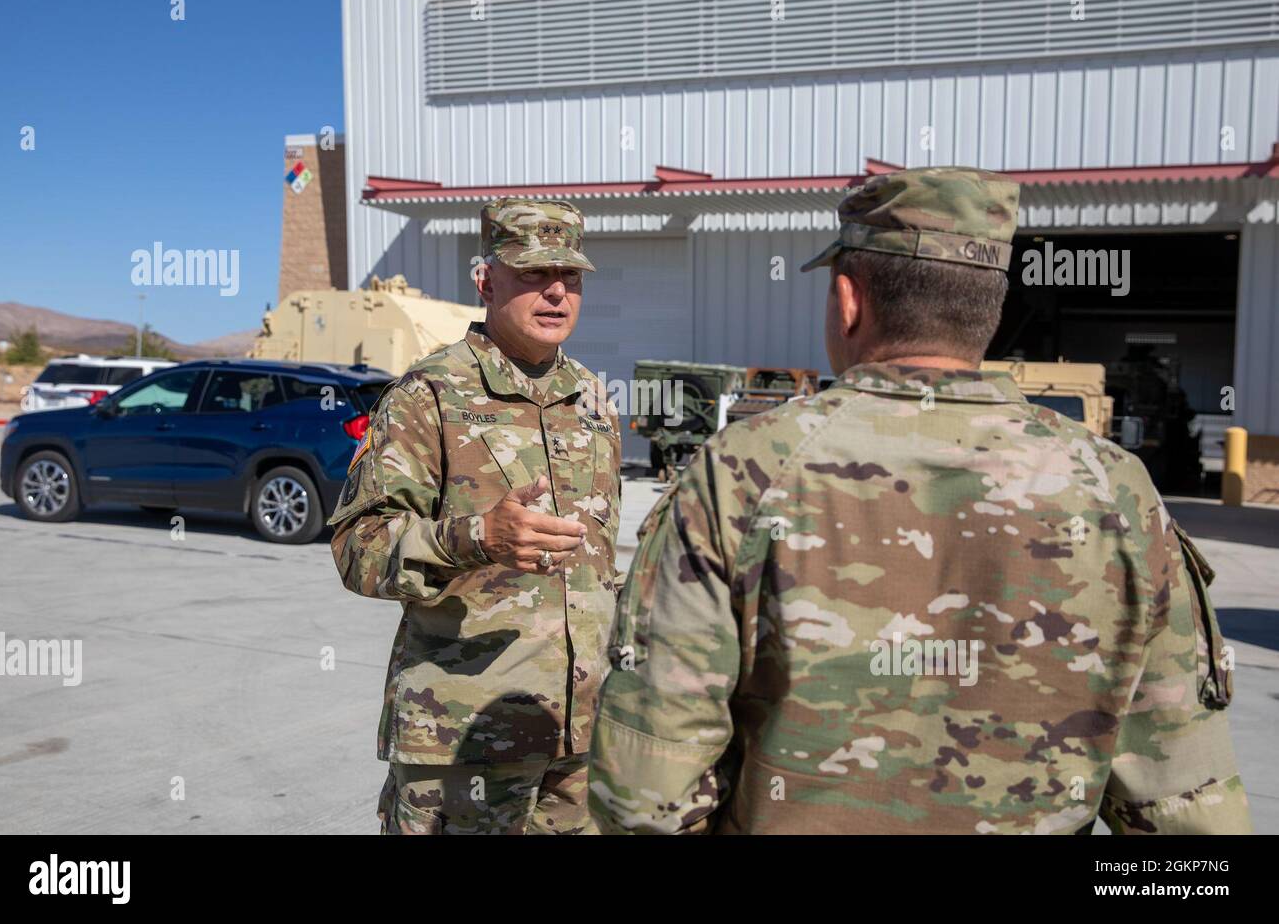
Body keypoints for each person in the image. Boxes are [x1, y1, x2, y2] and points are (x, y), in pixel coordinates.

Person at [588, 166, 1250, 835]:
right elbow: (1185, 808)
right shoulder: (1116, 488)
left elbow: (646, 796)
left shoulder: (744, 471)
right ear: (988, 311)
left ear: (849, 300)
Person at [330, 197, 621, 834]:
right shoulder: (427, 396)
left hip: (581, 738)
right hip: (463, 738)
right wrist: (477, 537)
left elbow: (598, 566)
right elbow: (359, 549)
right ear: (485, 281)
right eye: (532, 274)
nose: (554, 293)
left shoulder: (593, 400)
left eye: (568, 277)